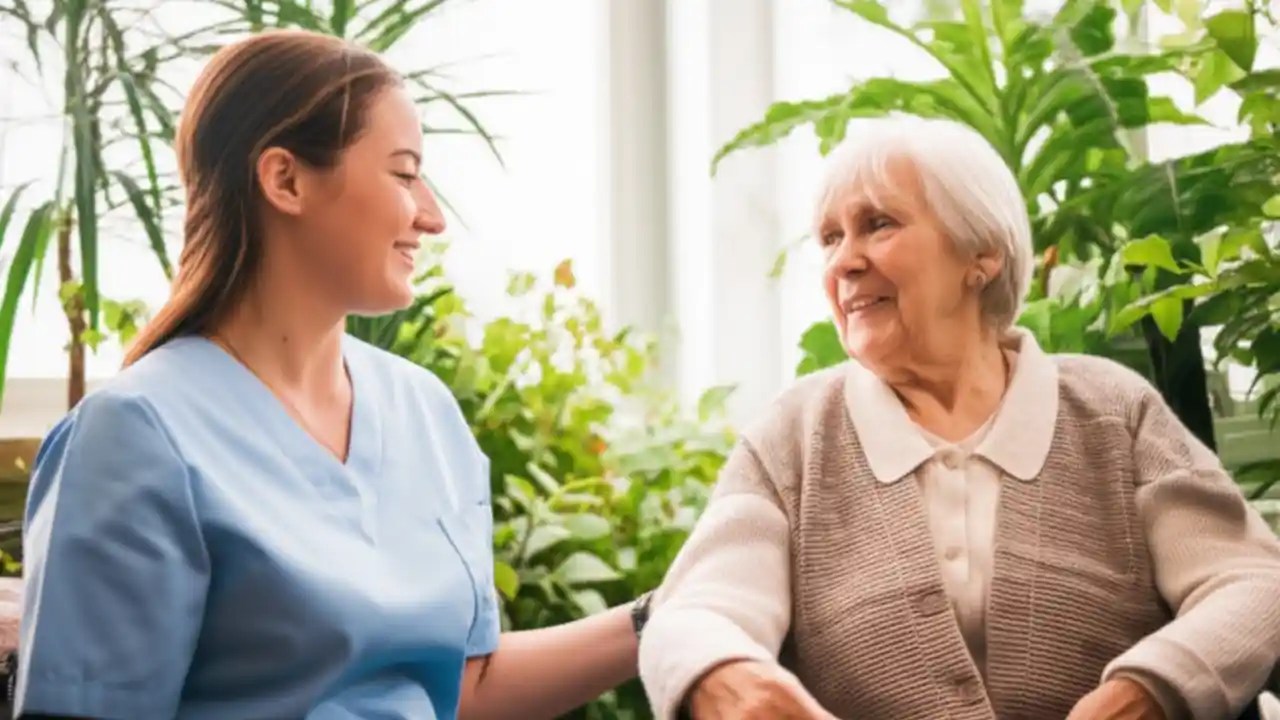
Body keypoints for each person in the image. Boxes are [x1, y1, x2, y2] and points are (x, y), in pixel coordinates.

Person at [16, 29, 644, 719]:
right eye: (404, 173)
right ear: (285, 179)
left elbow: (462, 690)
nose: (430, 216)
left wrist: (666, 618)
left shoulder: (424, 412)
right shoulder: (132, 436)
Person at [636, 116, 1280, 720]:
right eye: (831, 238)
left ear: (982, 253)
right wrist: (725, 671)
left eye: (877, 224)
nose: (843, 262)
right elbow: (699, 610)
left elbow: (1252, 582)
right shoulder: (794, 436)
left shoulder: (1112, 412)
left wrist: (1152, 688)